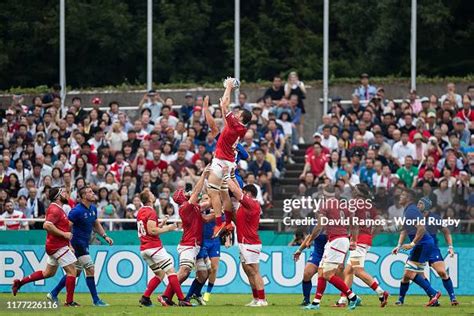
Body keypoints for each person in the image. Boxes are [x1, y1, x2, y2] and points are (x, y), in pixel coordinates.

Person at [12, 187, 79, 306]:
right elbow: (47, 225)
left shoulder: (58, 209)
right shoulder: (55, 209)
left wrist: (68, 242)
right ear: (58, 196)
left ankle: (20, 283)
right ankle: (69, 302)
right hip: (57, 246)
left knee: (48, 273)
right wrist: (64, 235)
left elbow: (59, 227)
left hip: (55, 246)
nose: (67, 194)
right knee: (72, 271)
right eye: (63, 192)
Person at [48, 186, 114, 306]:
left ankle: (53, 293)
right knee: (90, 268)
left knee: (75, 273)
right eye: (90, 192)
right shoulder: (76, 211)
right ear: (83, 196)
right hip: (77, 244)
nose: (93, 193)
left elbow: (95, 223)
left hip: (84, 243)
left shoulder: (93, 208)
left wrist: (105, 236)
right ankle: (96, 300)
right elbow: (66, 225)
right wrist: (66, 242)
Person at [302, 185, 361, 311]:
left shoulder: (325, 205)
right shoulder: (343, 205)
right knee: (321, 272)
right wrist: (354, 240)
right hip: (336, 240)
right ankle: (316, 303)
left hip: (337, 241)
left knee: (328, 274)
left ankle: (353, 297)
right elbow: (354, 223)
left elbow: (319, 225)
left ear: (324, 194)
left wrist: (310, 239)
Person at [159, 167, 211, 306]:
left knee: (199, 273)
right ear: (181, 198)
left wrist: (221, 196)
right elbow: (197, 191)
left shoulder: (193, 207)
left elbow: (208, 205)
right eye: (184, 193)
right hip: (188, 244)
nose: (187, 193)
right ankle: (165, 296)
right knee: (184, 271)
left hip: (194, 245)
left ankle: (169, 297)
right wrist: (203, 175)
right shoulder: (185, 207)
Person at [208, 78, 251, 237]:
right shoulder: (240, 127)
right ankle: (228, 224)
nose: (236, 113)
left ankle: (219, 223)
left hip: (221, 161)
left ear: (241, 118)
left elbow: (224, 106)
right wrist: (226, 94)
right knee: (225, 192)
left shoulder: (235, 124)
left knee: (212, 191)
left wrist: (229, 87)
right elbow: (224, 106)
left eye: (238, 113)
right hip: (230, 162)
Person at [336, 184, 389, 307]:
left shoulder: (354, 203)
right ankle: (343, 299)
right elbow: (379, 224)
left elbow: (352, 220)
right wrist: (370, 235)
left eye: (355, 190)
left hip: (357, 240)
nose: (353, 191)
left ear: (358, 192)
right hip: (365, 239)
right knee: (348, 270)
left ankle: (381, 292)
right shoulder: (370, 206)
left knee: (358, 271)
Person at [136, 189, 190, 307]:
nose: (153, 194)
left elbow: (148, 229)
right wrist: (169, 228)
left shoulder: (141, 212)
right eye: (151, 193)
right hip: (154, 247)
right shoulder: (151, 212)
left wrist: (162, 223)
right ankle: (182, 299)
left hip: (144, 249)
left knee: (159, 274)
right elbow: (152, 231)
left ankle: (145, 298)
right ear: (149, 199)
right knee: (171, 272)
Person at [392, 190, 441, 306]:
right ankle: (401, 300)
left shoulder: (411, 211)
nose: (400, 196)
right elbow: (404, 229)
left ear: (408, 198)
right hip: (424, 244)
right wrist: (398, 245)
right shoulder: (408, 210)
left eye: (403, 195)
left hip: (422, 244)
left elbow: (422, 228)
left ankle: (434, 293)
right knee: (409, 275)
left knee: (409, 274)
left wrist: (412, 244)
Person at [407, 197, 458, 306]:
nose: (417, 206)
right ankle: (433, 297)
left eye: (420, 204)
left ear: (426, 206)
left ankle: (452, 297)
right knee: (414, 274)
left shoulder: (435, 218)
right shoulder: (414, 217)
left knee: (442, 272)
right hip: (419, 248)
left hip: (432, 249)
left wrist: (450, 247)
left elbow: (446, 231)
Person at [227, 177, 267, 307]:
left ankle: (262, 300)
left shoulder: (252, 203)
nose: (241, 194)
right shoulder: (244, 207)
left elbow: (234, 189)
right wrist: (232, 176)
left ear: (249, 194)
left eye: (244, 192)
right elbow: (237, 221)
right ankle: (256, 298)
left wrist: (225, 175)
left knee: (255, 271)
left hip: (251, 242)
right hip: (243, 242)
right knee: (248, 271)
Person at [293, 228, 328, 306]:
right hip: (317, 254)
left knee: (340, 275)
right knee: (306, 273)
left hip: (331, 254)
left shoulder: (333, 222)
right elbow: (310, 236)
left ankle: (349, 297)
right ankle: (306, 300)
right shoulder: (315, 223)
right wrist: (299, 250)